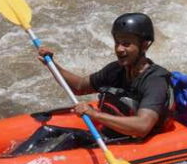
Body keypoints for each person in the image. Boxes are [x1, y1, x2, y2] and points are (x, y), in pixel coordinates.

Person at [37, 13, 172, 139]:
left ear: (144, 45)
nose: (119, 49)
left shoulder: (155, 80)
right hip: (114, 134)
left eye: (126, 44)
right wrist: (51, 64)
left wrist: (94, 114)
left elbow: (143, 126)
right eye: (117, 43)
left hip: (138, 142)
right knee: (46, 132)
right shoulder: (116, 70)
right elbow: (79, 87)